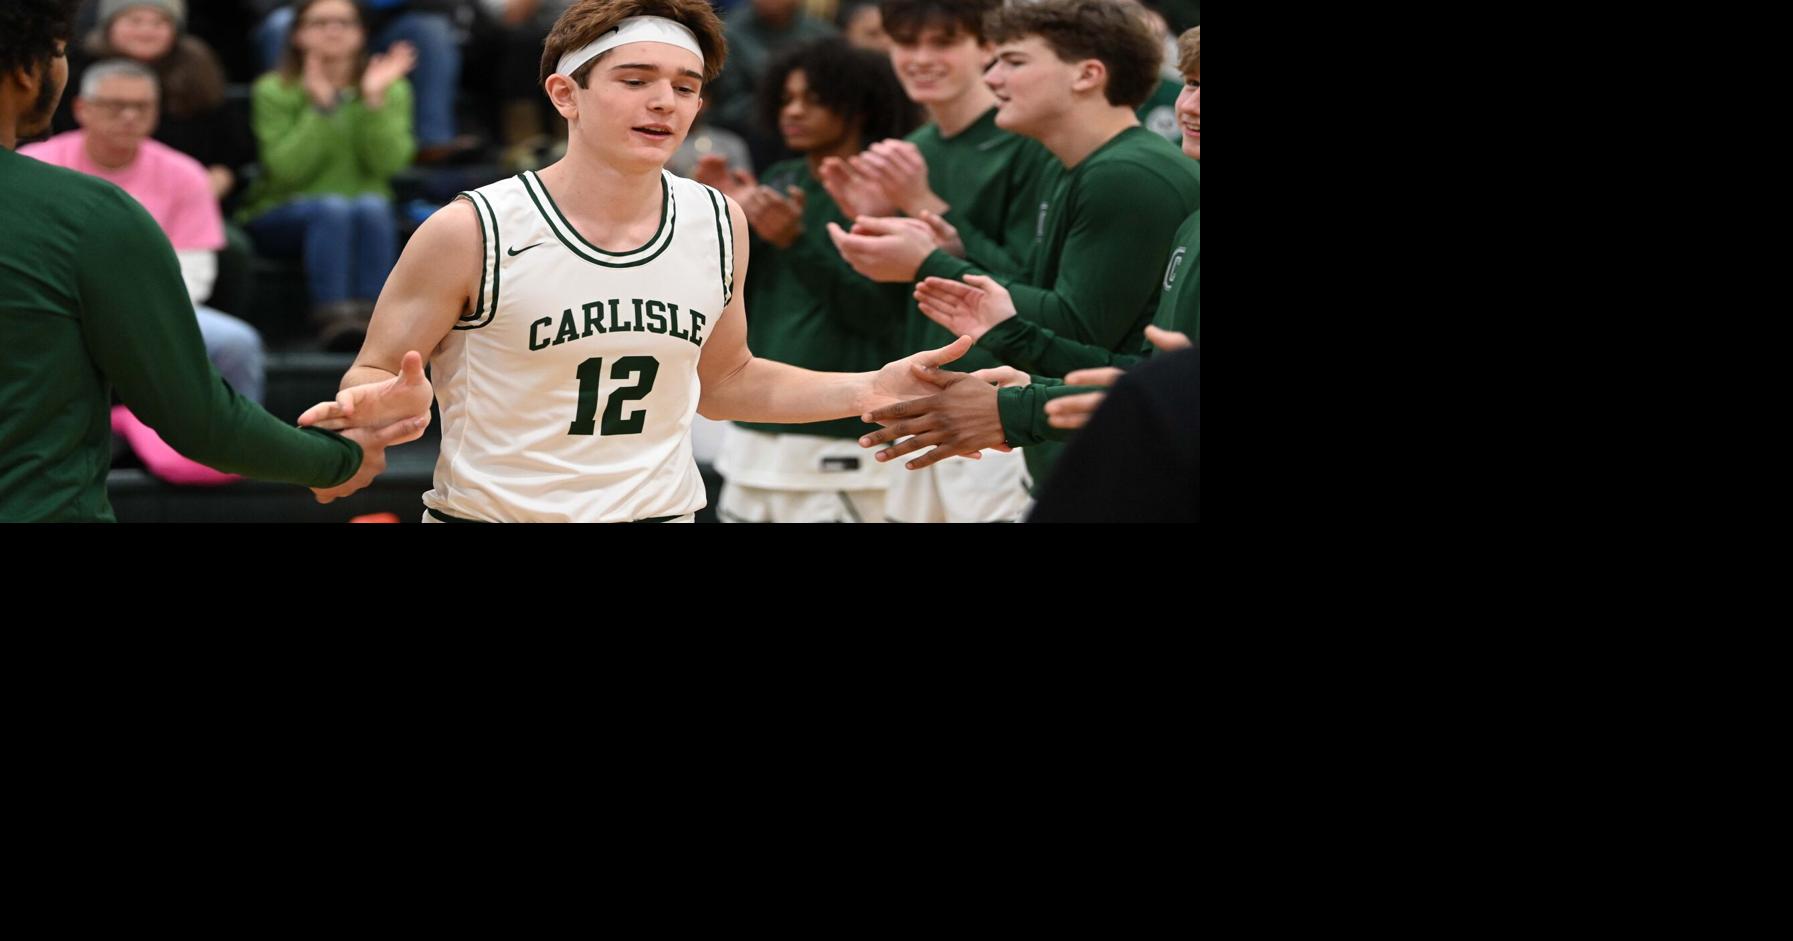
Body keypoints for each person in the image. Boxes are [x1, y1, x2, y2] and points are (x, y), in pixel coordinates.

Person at [304, 0, 977, 523]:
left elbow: (726, 381)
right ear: (566, 95)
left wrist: (870, 390)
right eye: (635, 80)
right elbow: (374, 373)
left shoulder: (717, 220)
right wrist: (377, 409)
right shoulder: (471, 229)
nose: (664, 102)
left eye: (685, 87)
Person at [0, 0, 432, 522]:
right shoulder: (86, 213)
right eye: (61, 51)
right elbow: (198, 420)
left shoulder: (132, 190)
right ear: (27, 72)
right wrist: (338, 459)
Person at [848, 13, 1200, 490]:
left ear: (1087, 74)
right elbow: (1142, 368)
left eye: (1012, 61)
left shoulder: (1126, 175)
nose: (992, 77)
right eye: (1191, 84)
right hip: (1085, 452)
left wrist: (933, 263)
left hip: (1118, 465)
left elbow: (1080, 327)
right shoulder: (1082, 166)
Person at [816, 0, 1054, 522]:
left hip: (996, 406)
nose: (921, 58)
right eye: (906, 42)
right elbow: (895, 305)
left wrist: (925, 206)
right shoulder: (914, 146)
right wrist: (873, 227)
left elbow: (1038, 293)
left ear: (988, 47)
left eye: (943, 41)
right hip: (919, 401)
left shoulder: (1027, 140)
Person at [702, 38, 918, 523]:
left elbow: (882, 318)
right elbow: (742, 303)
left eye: (814, 100)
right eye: (786, 99)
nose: (793, 112)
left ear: (859, 106)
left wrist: (795, 241)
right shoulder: (777, 178)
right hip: (755, 430)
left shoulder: (888, 188)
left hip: (843, 436)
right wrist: (722, 226)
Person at [22, 59, 266, 403]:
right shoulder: (36, 164)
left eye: (142, 106)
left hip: (154, 311)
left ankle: (240, 456)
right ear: (82, 108)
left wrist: (133, 312)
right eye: (115, 105)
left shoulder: (185, 173)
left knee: (237, 343)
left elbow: (196, 272)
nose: (129, 116)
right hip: (52, 308)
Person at [240, 0, 418, 350]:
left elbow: (389, 166)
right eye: (320, 23)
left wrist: (372, 102)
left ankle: (376, 319)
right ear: (298, 35)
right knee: (334, 208)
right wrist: (321, 109)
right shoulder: (274, 90)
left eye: (343, 23)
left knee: (371, 205)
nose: (333, 30)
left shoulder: (389, 88)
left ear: (361, 33)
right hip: (283, 210)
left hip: (365, 214)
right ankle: (334, 318)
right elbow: (286, 172)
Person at [55, 0, 248, 200]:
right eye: (135, 21)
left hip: (182, 198)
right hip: (82, 195)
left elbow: (228, 155)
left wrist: (196, 197)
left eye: (159, 23)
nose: (146, 31)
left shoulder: (199, 74)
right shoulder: (73, 69)